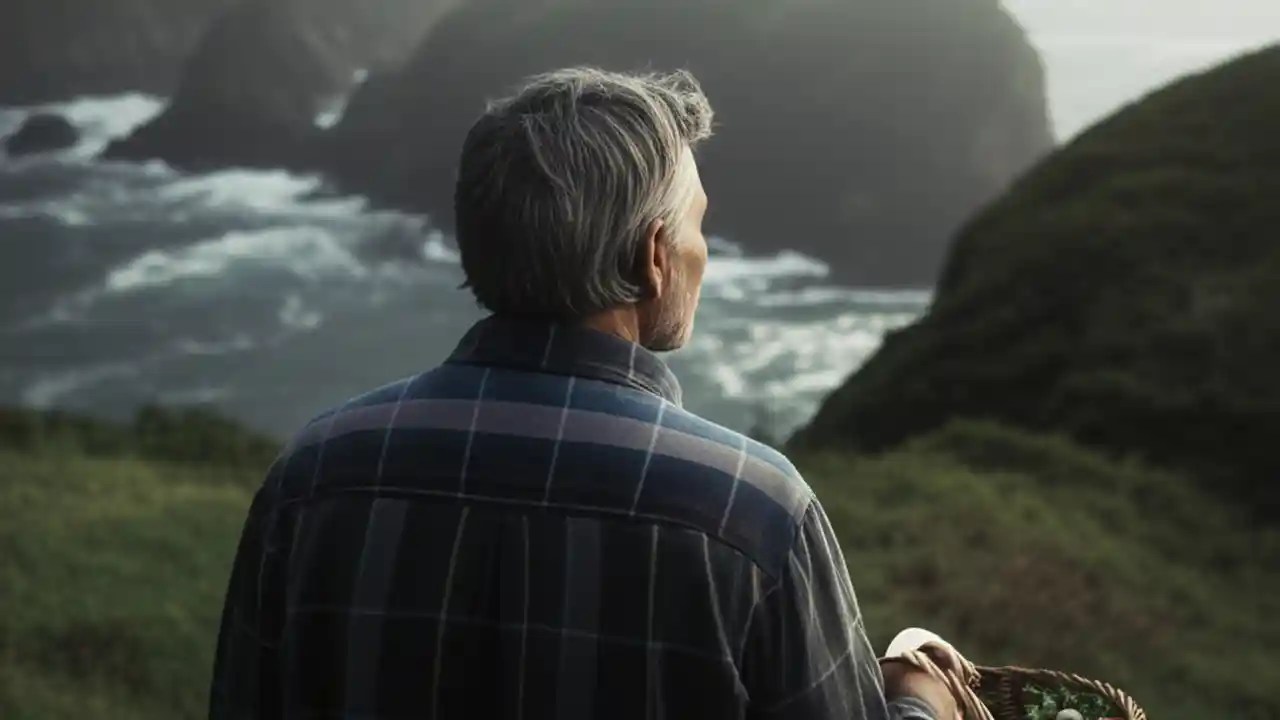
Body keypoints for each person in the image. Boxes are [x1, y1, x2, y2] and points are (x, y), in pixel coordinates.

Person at [209, 67, 959, 720]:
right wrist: (921, 698)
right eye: (699, 225)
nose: (708, 250)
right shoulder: (753, 513)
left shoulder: (312, 476)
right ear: (654, 258)